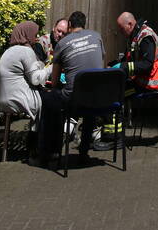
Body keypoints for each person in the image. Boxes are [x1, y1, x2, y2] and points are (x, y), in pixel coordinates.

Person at [32, 10, 106, 167]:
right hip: (98, 99)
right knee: (89, 106)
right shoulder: (97, 36)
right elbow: (100, 61)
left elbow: (55, 79)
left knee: (49, 101)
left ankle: (48, 154)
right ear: (84, 25)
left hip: (74, 101)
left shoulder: (62, 44)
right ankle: (84, 152)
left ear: (70, 25)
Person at [93, 11, 158, 152]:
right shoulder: (135, 36)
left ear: (130, 24)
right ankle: (105, 132)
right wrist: (114, 63)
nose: (120, 32)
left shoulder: (146, 37)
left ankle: (114, 139)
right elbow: (129, 59)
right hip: (139, 82)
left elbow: (147, 65)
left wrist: (122, 67)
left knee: (113, 95)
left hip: (147, 85)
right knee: (109, 90)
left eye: (121, 28)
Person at [0, 21, 49, 156]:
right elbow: (36, 79)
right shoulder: (25, 51)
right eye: (34, 34)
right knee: (49, 101)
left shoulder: (11, 50)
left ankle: (35, 142)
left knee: (46, 97)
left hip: (3, 97)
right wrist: (53, 67)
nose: (36, 38)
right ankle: (37, 145)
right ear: (26, 34)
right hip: (15, 98)